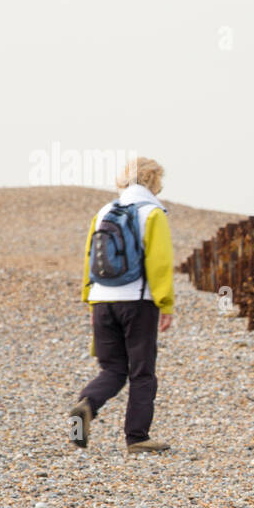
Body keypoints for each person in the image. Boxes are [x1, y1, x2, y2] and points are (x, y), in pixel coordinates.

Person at [68, 157, 175, 452]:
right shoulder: (152, 213)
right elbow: (160, 263)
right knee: (142, 372)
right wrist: (165, 303)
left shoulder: (104, 211)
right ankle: (137, 438)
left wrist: (90, 301)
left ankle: (86, 405)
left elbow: (91, 258)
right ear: (154, 181)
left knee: (112, 369)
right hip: (137, 302)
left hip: (103, 300)